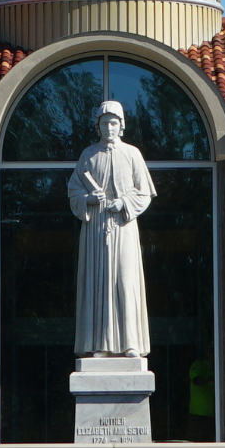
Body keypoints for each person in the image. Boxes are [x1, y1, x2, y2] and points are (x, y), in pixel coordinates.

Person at [67, 99, 157, 357]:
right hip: (95, 228)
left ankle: (131, 344)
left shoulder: (132, 154)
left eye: (114, 122)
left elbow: (145, 192)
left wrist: (124, 202)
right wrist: (88, 199)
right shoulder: (88, 155)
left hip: (124, 226)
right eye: (104, 122)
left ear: (121, 126)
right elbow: (74, 190)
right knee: (98, 282)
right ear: (98, 126)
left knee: (125, 281)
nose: (109, 127)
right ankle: (100, 344)